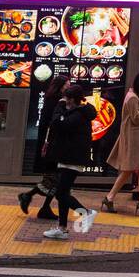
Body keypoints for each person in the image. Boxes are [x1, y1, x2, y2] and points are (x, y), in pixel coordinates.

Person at [18, 77, 84, 222]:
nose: (69, 86)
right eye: (67, 85)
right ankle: (29, 196)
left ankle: (42, 206)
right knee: (54, 179)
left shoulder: (56, 100)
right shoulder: (55, 102)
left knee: (54, 179)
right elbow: (53, 123)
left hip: (53, 144)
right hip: (51, 145)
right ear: (61, 87)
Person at [41, 83, 97, 240]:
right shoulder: (77, 111)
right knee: (63, 192)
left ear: (72, 99)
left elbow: (58, 123)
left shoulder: (78, 115)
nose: (64, 101)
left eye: (66, 99)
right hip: (68, 157)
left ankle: (85, 213)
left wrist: (59, 107)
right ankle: (62, 228)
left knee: (61, 193)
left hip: (72, 158)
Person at [102, 73, 139, 217]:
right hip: (134, 139)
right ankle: (114, 198)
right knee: (132, 169)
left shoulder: (131, 95)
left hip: (136, 138)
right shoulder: (133, 98)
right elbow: (136, 119)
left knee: (138, 169)